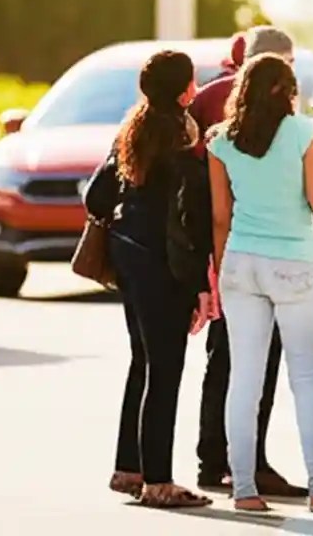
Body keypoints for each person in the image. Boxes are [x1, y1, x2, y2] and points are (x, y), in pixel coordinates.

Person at [206, 53, 313, 514]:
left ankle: (244, 491)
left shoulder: (220, 141)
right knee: (307, 378)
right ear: (286, 90)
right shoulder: (300, 132)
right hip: (293, 264)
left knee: (245, 380)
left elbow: (220, 216)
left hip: (240, 263)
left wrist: (222, 271)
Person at [190, 26, 306, 498]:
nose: (292, 78)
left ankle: (213, 459)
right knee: (257, 361)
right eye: (287, 66)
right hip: (252, 251)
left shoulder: (212, 102)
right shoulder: (246, 109)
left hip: (221, 253)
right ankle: (247, 461)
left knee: (225, 360)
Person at [100, 50, 214, 509]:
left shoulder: (132, 129)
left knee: (141, 363)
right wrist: (199, 285)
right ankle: (159, 482)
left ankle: (129, 468)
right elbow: (191, 218)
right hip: (164, 265)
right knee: (164, 370)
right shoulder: (181, 136)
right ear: (184, 89)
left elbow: (96, 195)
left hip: (128, 258)